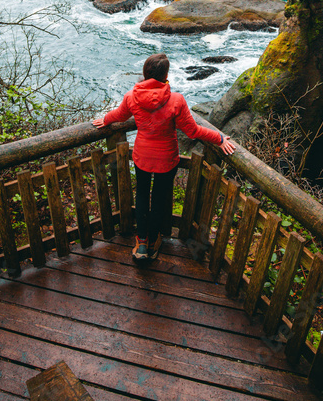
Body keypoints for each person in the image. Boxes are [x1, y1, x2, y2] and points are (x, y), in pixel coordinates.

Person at [92, 52, 236, 262]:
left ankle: (141, 243)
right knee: (159, 198)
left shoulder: (132, 96)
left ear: (145, 72)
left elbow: (121, 115)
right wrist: (220, 138)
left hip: (142, 155)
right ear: (165, 74)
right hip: (166, 158)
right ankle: (153, 242)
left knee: (142, 195)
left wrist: (105, 119)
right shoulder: (176, 100)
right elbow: (193, 131)